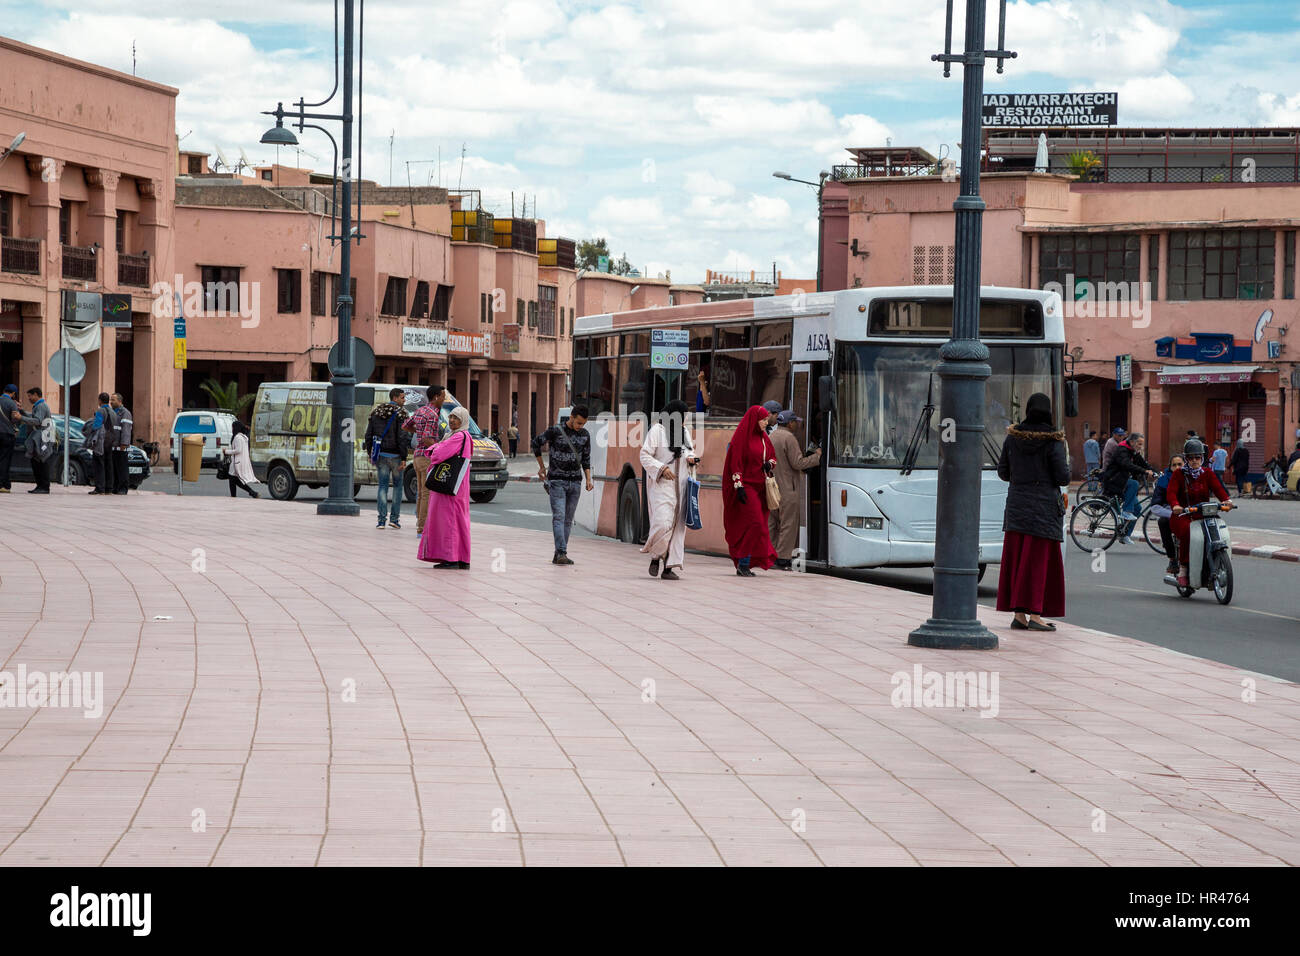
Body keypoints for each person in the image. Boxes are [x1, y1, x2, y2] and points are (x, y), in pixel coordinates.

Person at [995, 392, 1068, 631]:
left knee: (1018, 560)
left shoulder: (1012, 439)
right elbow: (1062, 476)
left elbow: (1003, 472)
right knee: (1038, 562)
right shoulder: (1053, 441)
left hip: (1018, 505)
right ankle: (1035, 615)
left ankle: (1019, 615)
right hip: (1044, 507)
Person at [638, 400, 700, 581]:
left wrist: (692, 459)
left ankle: (668, 567)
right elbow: (645, 454)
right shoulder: (657, 430)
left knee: (677, 528)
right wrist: (661, 469)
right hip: (662, 486)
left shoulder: (684, 432)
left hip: (681, 486)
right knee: (663, 523)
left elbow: (689, 452)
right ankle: (656, 556)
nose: (685, 419)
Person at [722, 404, 779, 577]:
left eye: (766, 420)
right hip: (746, 487)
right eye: (763, 420)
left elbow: (773, 458)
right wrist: (738, 486)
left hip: (761, 488)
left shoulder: (764, 438)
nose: (765, 423)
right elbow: (735, 463)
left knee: (757, 524)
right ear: (755, 420)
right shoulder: (742, 439)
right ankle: (743, 562)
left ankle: (744, 562)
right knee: (756, 523)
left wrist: (769, 464)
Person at [533, 404, 594, 565]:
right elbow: (536, 443)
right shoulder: (555, 431)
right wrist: (541, 467)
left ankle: (559, 553)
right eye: (579, 423)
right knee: (559, 517)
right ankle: (561, 552)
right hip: (557, 481)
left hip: (576, 482)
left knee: (568, 520)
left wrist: (588, 479)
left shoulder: (585, 435)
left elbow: (586, 459)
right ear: (572, 417)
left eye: (583, 424)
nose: (580, 427)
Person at [1167, 439, 1232, 588]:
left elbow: (1218, 489)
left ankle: (1216, 563)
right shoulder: (1179, 474)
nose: (1194, 461)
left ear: (1202, 458)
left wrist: (1227, 501)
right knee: (1187, 532)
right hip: (1183, 515)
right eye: (1191, 458)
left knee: (1218, 530)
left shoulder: (1207, 473)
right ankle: (1183, 568)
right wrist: (1175, 505)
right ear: (1186, 459)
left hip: (1204, 513)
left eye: (1197, 457)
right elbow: (1171, 492)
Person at [418, 406, 474, 569]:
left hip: (447, 485)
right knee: (458, 520)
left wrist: (434, 447)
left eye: (456, 418)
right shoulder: (463, 436)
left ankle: (451, 558)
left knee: (448, 520)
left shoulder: (458, 437)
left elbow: (437, 454)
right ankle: (461, 558)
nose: (452, 421)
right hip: (457, 485)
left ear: (463, 420)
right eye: (450, 417)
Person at [767, 410, 822, 570]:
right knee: (788, 524)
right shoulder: (789, 438)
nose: (797, 424)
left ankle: (770, 556)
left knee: (772, 524)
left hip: (772, 488)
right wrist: (816, 456)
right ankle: (783, 558)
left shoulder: (772, 436)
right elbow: (798, 464)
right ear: (790, 423)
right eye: (795, 422)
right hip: (787, 489)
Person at [402, 384, 447, 535]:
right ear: (435, 397)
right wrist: (439, 448)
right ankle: (423, 528)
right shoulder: (433, 414)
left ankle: (420, 526)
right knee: (427, 494)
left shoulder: (420, 410)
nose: (444, 398)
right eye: (442, 396)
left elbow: (406, 426)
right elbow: (428, 439)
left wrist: (418, 432)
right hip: (427, 457)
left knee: (421, 493)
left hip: (417, 456)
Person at [364, 387, 411, 529]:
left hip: (381, 455)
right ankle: (394, 519)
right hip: (396, 456)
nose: (404, 400)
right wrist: (404, 457)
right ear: (395, 398)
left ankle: (381, 521)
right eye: (402, 397)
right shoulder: (401, 413)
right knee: (397, 487)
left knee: (382, 486)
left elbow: (368, 435)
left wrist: (370, 453)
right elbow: (402, 437)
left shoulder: (376, 412)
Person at [1102, 431, 1155, 544]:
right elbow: (1126, 464)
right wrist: (1145, 471)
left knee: (1137, 509)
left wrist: (1154, 471)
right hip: (1113, 481)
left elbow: (1142, 463)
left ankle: (1125, 534)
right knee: (1134, 484)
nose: (1141, 447)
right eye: (1139, 444)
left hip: (1122, 482)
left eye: (1142, 444)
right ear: (1131, 442)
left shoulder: (1133, 451)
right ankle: (1126, 511)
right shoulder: (1122, 449)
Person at [1149, 455, 1184, 574]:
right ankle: (1172, 559)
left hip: (1190, 512)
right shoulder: (1164, 480)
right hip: (1171, 514)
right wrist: (1173, 514)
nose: (1177, 467)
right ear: (1170, 467)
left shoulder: (1191, 477)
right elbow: (1155, 506)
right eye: (1174, 465)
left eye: (1180, 464)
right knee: (1163, 522)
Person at [20, 387, 52, 493]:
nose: (29, 398)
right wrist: (22, 411)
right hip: (39, 438)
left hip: (42, 439)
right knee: (36, 462)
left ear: (36, 395)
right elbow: (33, 416)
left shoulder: (41, 406)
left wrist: (21, 418)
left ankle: (44, 487)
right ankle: (40, 486)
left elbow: (37, 421)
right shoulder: (38, 406)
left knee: (41, 462)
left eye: (30, 396)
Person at [87, 392, 119, 495]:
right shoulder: (113, 412)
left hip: (101, 441)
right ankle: (108, 488)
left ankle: (99, 488)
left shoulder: (101, 410)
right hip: (111, 440)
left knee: (99, 464)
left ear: (99, 401)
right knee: (108, 464)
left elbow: (96, 426)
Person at [222, 420, 260, 498]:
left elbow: (238, 450)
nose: (232, 429)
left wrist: (226, 451)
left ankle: (248, 493)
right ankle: (251, 493)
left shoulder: (238, 437)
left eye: (232, 427)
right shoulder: (243, 437)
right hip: (239, 461)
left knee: (233, 478)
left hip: (237, 462)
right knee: (233, 479)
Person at [109, 393, 133, 495]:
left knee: (122, 469)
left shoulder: (125, 413)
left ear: (120, 401)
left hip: (121, 447)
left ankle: (123, 488)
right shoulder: (112, 412)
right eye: (111, 399)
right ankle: (115, 487)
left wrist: (124, 443)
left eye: (113, 400)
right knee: (114, 469)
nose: (111, 401)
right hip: (113, 446)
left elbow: (126, 430)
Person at [0, 383, 20, 493]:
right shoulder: (12, 404)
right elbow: (15, 419)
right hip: (7, 435)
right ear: (13, 394)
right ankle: (3, 484)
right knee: (5, 460)